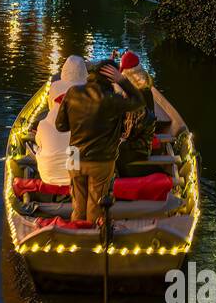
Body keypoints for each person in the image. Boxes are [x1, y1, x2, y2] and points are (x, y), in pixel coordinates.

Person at [54, 58, 149, 223]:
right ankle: (90, 237)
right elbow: (140, 102)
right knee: (95, 204)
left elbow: (61, 126)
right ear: (112, 78)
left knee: (77, 199)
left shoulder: (72, 92)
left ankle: (75, 231)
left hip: (74, 154)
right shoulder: (113, 100)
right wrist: (123, 80)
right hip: (101, 158)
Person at [34, 56, 87, 186]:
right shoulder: (84, 123)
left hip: (47, 176)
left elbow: (38, 143)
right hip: (76, 177)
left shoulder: (43, 124)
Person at [114, 51, 158, 178]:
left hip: (139, 143)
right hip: (141, 135)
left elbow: (133, 126)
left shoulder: (133, 96)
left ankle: (121, 181)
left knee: (114, 150)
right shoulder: (144, 88)